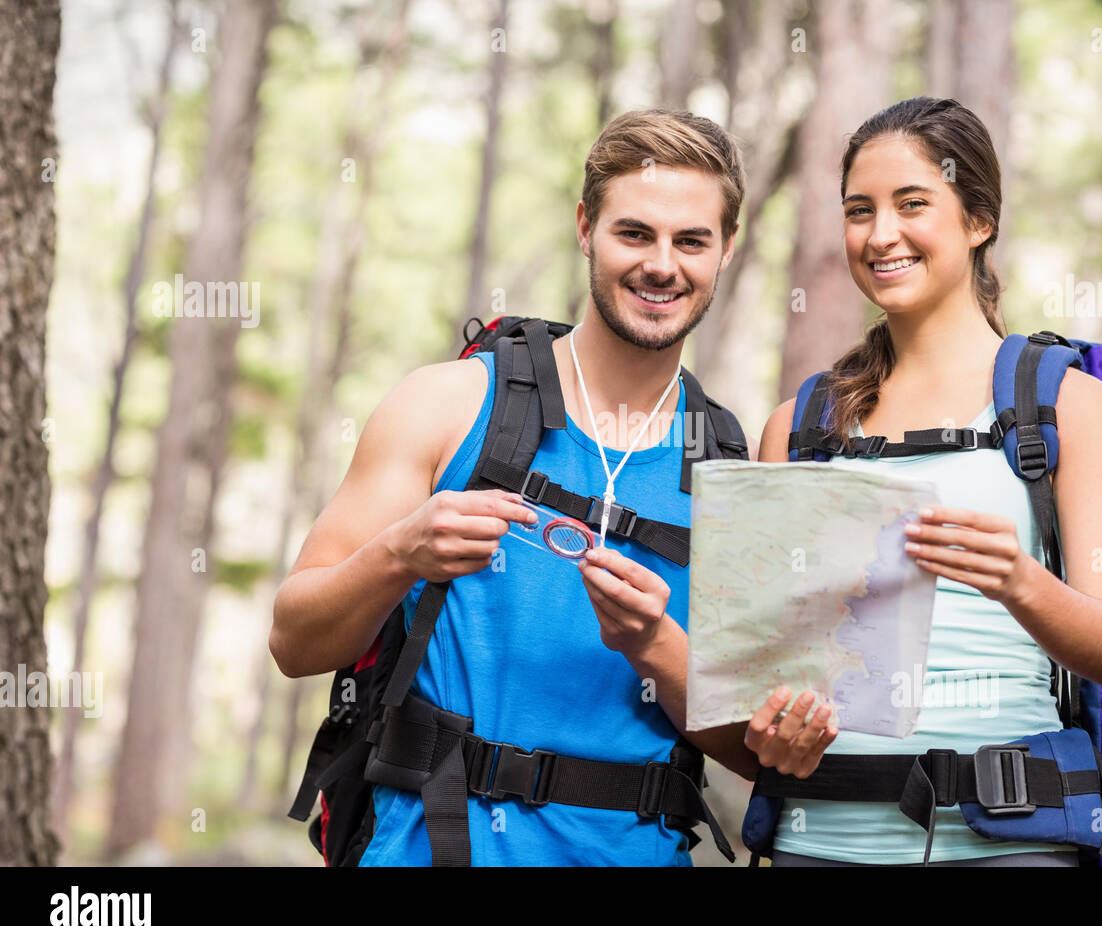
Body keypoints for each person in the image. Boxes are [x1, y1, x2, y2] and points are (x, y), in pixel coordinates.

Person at [269, 108, 756, 865]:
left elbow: (753, 751)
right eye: (634, 233)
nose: (663, 265)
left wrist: (655, 647)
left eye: (691, 240)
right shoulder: (447, 403)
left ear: (727, 248)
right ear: (585, 226)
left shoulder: (727, 466)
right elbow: (294, 640)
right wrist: (400, 553)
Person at [743, 96, 1102, 866]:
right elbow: (767, 667)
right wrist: (767, 724)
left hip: (1006, 843)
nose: (880, 234)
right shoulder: (797, 426)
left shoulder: (1063, 404)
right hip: (818, 838)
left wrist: (1020, 581)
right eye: (859, 210)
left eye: (912, 204)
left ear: (978, 220)